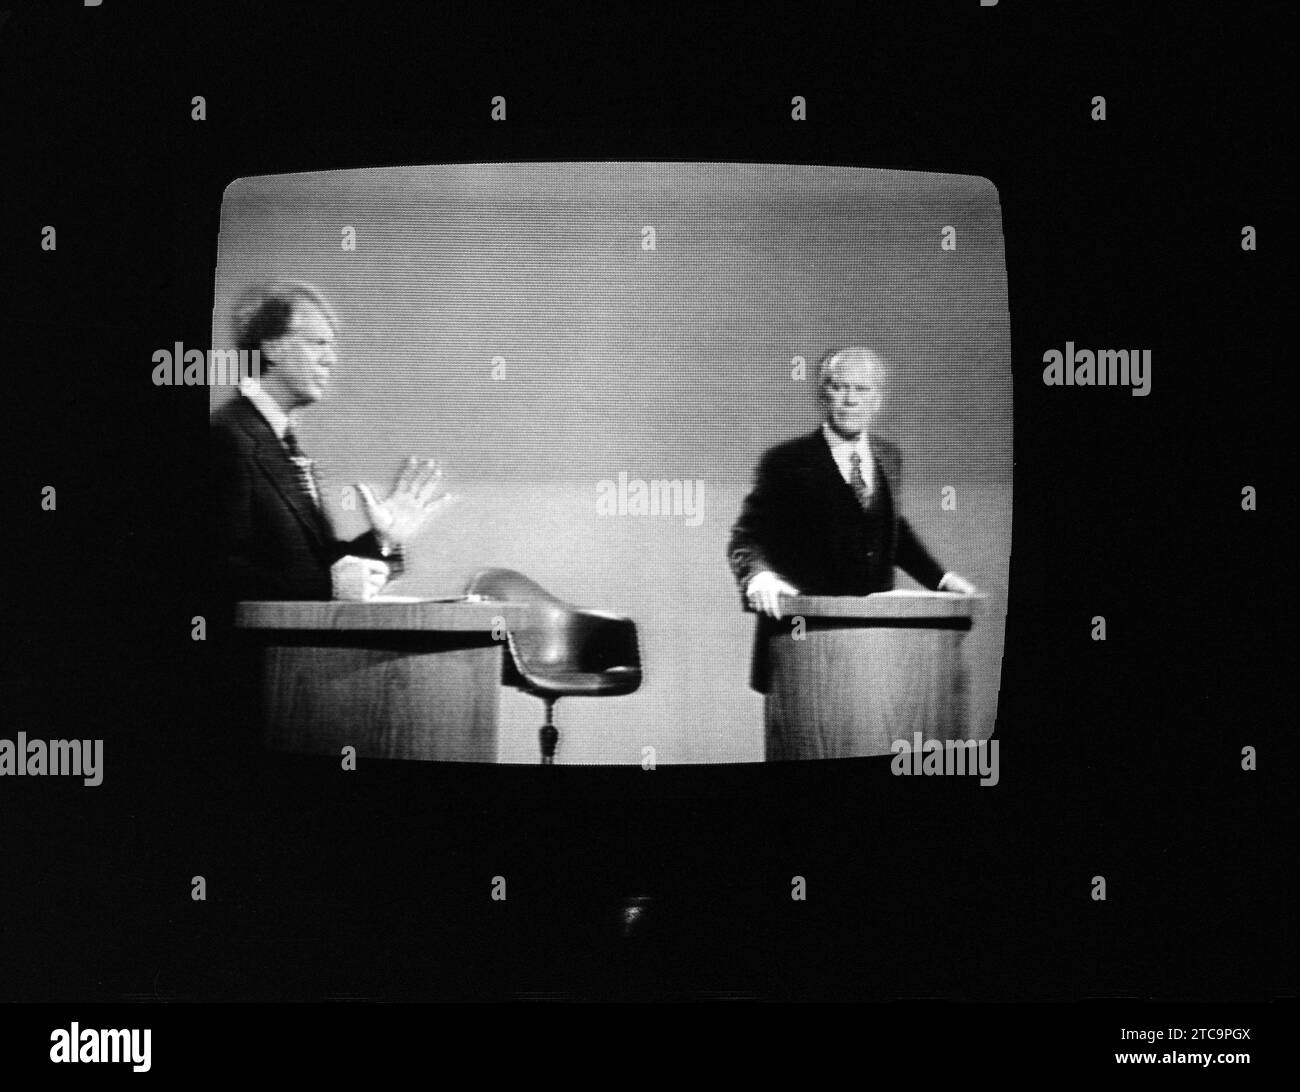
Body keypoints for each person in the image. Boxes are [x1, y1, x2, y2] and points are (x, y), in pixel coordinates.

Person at [727, 346, 977, 693]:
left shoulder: (889, 457)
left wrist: (942, 579)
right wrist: (759, 577)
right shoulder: (786, 461)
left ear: (877, 400)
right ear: (821, 395)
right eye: (838, 387)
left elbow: (892, 533)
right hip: (803, 645)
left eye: (862, 390)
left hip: (877, 645)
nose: (849, 400)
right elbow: (747, 537)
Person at [210, 280, 454, 603]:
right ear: (271, 348)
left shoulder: (278, 440)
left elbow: (316, 563)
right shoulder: (226, 437)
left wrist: (383, 539)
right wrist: (326, 588)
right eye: (318, 343)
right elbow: (212, 572)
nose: (331, 359)